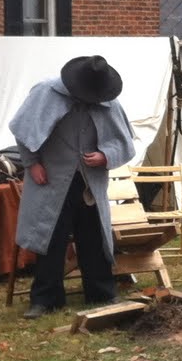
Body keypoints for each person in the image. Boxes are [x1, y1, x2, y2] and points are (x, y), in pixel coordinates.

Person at [9, 56, 137, 320]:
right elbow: (24, 132)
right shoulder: (46, 92)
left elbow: (124, 143)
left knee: (93, 238)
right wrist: (33, 164)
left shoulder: (107, 100)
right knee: (51, 238)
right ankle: (45, 299)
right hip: (51, 179)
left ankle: (101, 292)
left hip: (89, 182)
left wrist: (105, 156)